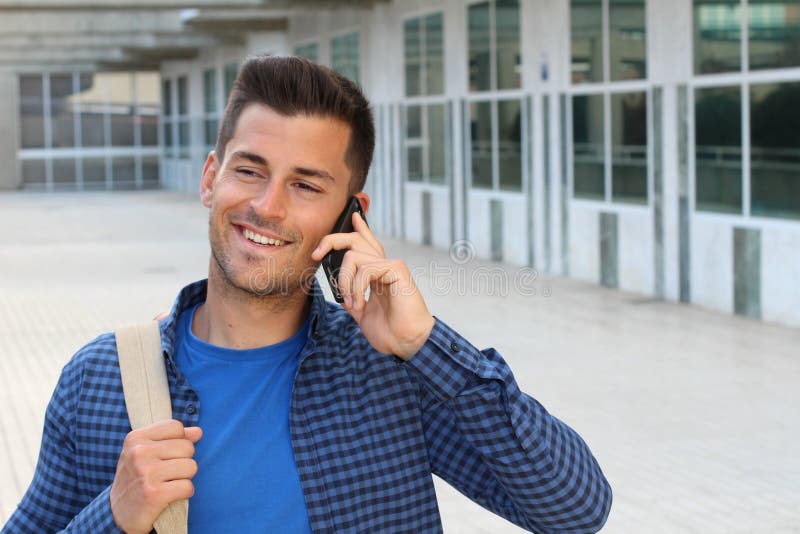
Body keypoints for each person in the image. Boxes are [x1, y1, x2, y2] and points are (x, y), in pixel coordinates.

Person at [3, 55, 611, 534]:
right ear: (211, 178)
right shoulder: (99, 380)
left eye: (306, 185)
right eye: (249, 171)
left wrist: (426, 343)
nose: (267, 206)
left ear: (352, 214)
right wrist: (113, 514)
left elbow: (575, 510)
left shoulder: (393, 372)